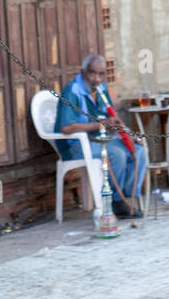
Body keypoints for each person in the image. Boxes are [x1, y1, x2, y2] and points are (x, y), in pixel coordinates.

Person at [54, 54, 145, 218]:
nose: (96, 79)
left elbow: (113, 118)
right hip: (76, 145)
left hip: (100, 140)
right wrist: (101, 124)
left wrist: (128, 134)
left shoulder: (101, 89)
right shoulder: (72, 91)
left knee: (138, 150)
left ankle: (126, 195)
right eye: (92, 73)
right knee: (117, 155)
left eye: (101, 74)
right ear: (83, 72)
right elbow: (66, 127)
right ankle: (116, 201)